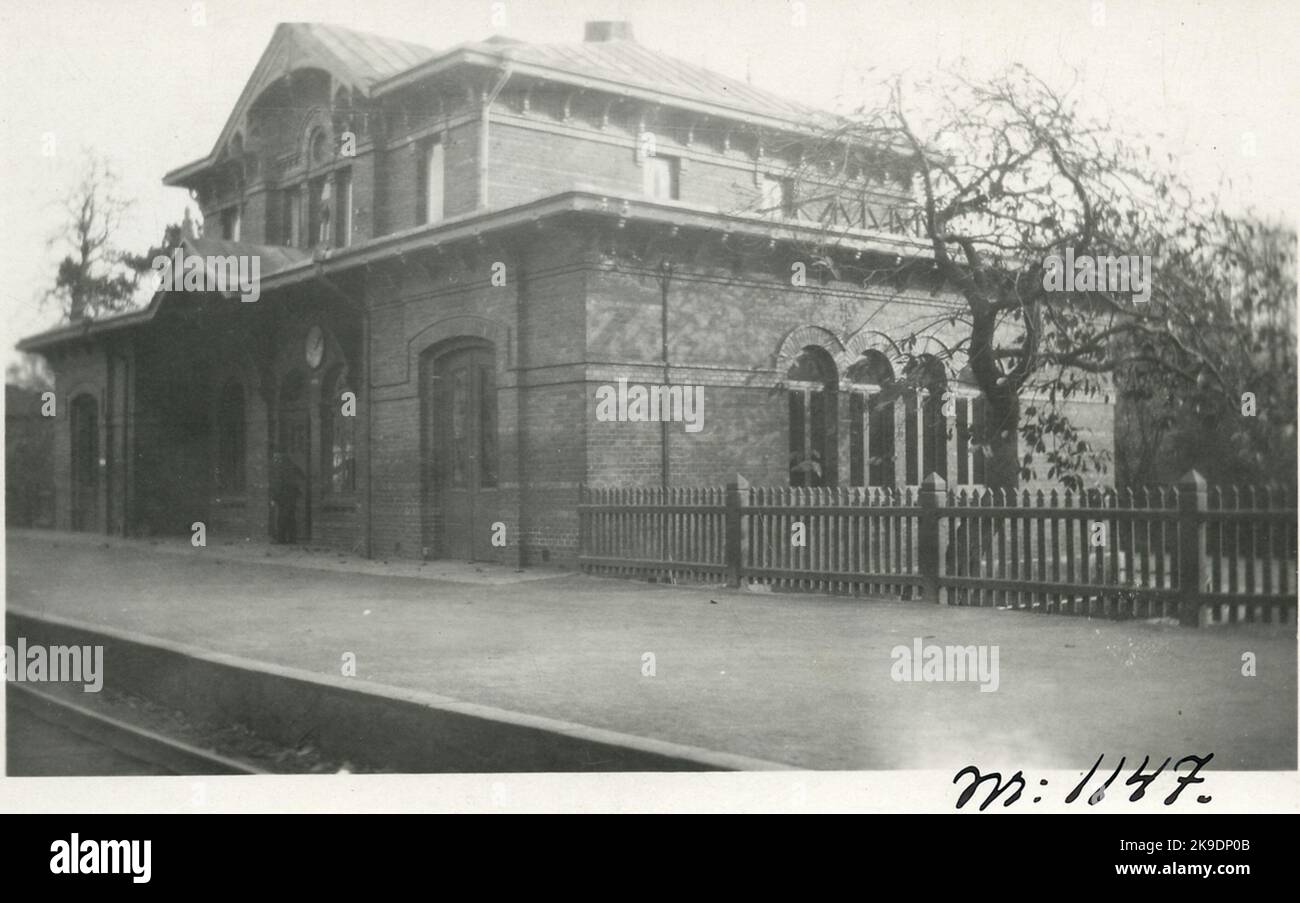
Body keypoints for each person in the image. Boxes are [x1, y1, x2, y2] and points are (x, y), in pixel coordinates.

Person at [272, 452, 305, 543]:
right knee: (291, 517)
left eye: (277, 459)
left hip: (283, 497)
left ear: (281, 459)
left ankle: (281, 539)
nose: (275, 461)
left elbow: (278, 485)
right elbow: (302, 477)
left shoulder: (280, 469)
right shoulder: (293, 466)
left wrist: (274, 498)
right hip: (292, 496)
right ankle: (292, 539)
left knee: (282, 518)